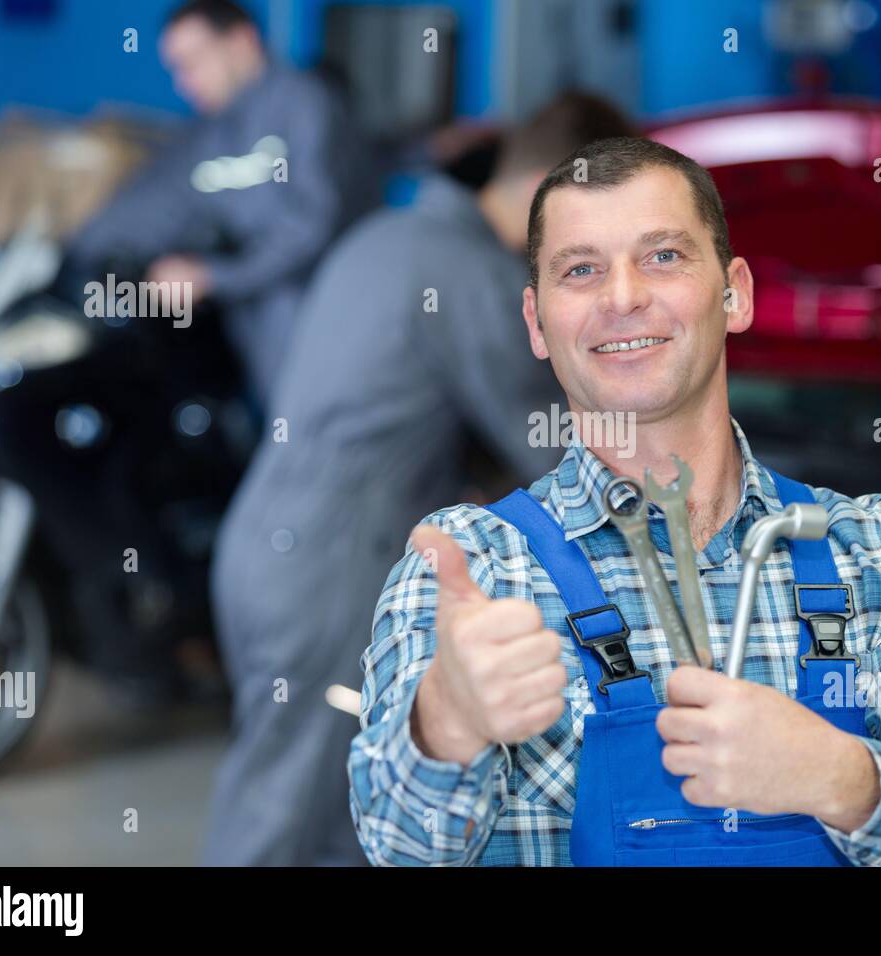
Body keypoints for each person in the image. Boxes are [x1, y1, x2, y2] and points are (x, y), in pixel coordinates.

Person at [350, 137, 881, 866]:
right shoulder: (473, 569)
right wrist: (449, 718)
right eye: (580, 270)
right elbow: (398, 846)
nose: (622, 297)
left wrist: (837, 776)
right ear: (536, 323)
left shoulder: (880, 550)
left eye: (662, 256)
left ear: (735, 293)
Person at [203, 93, 637, 866]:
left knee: (337, 813)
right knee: (279, 825)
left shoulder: (387, 235)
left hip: (265, 543)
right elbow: (552, 443)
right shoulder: (466, 271)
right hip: (329, 570)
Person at [66, 0, 365, 406]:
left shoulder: (306, 104)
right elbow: (159, 203)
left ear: (242, 42)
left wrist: (212, 276)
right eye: (176, 68)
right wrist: (77, 248)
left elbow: (312, 225)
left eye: (194, 61)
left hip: (330, 329)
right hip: (259, 348)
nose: (184, 82)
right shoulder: (210, 133)